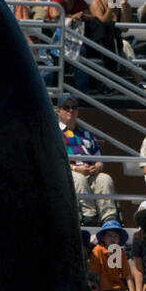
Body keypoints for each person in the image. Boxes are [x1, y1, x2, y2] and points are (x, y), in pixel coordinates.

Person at [55, 94, 117, 225]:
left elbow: (98, 158)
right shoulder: (53, 133)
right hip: (68, 172)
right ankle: (89, 217)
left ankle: (109, 219)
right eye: (66, 107)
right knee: (79, 178)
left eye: (74, 107)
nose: (71, 110)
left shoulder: (87, 134)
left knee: (105, 178)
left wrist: (98, 167)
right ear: (58, 110)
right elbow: (55, 159)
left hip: (90, 172)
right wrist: (76, 168)